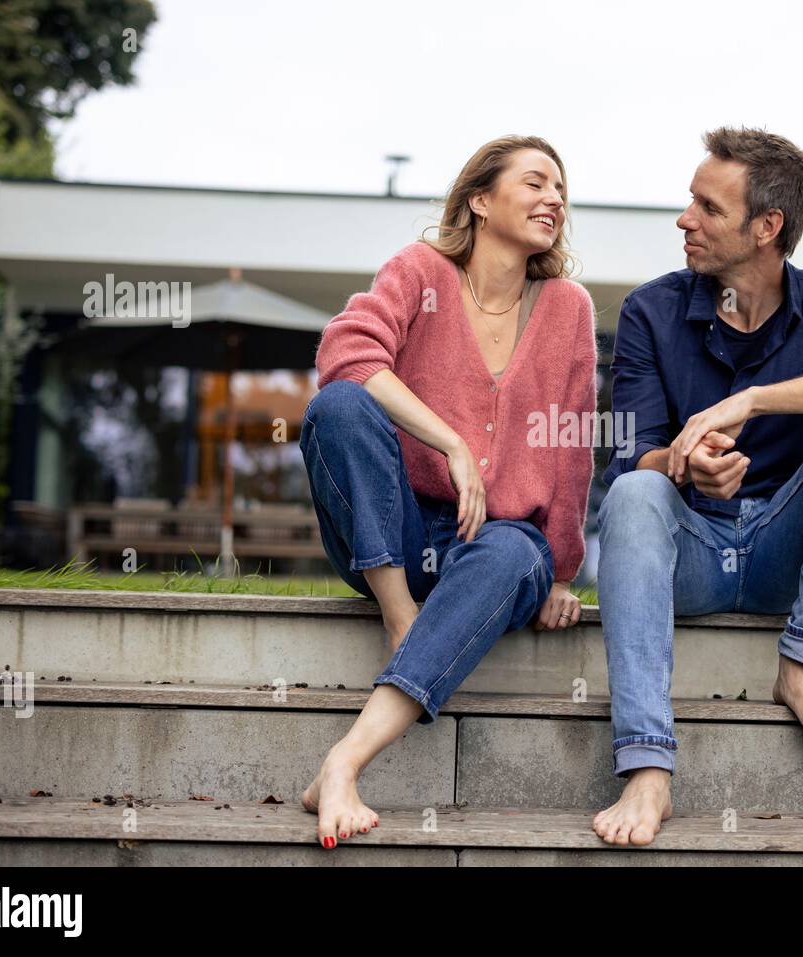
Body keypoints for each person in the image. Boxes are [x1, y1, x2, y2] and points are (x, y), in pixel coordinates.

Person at [591, 126, 803, 847]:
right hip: (693, 553)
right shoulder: (651, 310)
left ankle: (802, 667)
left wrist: (754, 399)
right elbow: (630, 459)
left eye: (707, 206)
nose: (685, 219)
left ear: (766, 227)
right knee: (636, 495)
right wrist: (683, 464)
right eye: (690, 201)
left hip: (781, 555)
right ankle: (646, 764)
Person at [298, 135, 597, 849]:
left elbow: (571, 445)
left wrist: (560, 570)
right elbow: (344, 354)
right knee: (337, 407)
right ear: (480, 199)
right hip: (390, 531)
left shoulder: (568, 308)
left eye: (560, 187)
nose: (553, 197)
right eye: (534, 183)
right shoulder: (418, 270)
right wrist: (450, 441)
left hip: (494, 542)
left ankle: (344, 760)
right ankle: (403, 619)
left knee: (510, 555)